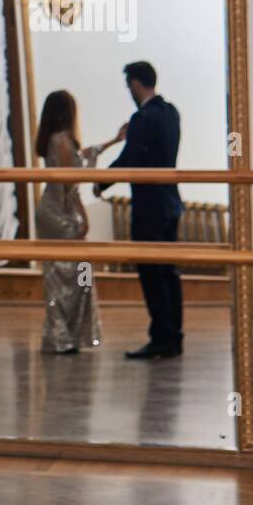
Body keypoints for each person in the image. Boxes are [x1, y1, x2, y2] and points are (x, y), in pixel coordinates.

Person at [92, 61, 185, 359]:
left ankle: (162, 338)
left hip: (148, 207)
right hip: (170, 203)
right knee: (169, 272)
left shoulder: (142, 117)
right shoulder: (171, 112)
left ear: (135, 84)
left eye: (128, 86)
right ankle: (174, 336)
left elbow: (130, 159)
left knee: (151, 272)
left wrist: (101, 183)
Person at [33, 89, 125, 354]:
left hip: (50, 210)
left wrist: (112, 142)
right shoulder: (62, 140)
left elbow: (82, 155)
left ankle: (61, 335)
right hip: (61, 213)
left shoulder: (54, 139)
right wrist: (82, 216)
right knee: (78, 272)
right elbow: (71, 181)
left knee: (58, 275)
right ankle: (66, 335)